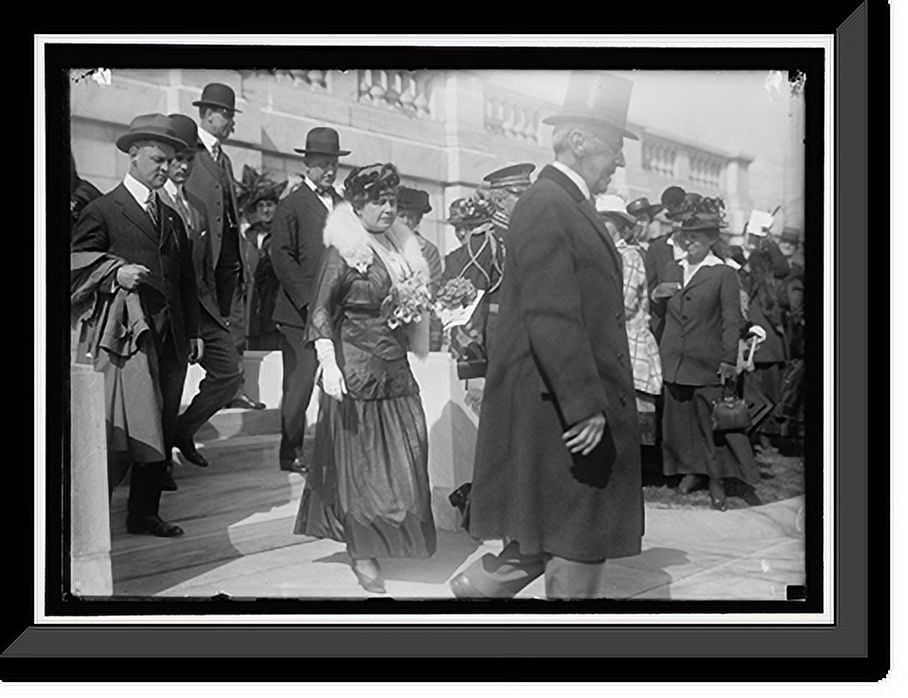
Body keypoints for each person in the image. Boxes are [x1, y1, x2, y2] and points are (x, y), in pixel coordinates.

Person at [449, 71, 643, 599]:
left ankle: (469, 597)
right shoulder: (547, 205)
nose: (620, 161)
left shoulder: (566, 205)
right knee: (577, 546)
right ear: (579, 141)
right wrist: (585, 405)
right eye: (615, 147)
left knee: (543, 543)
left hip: (558, 408)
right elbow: (552, 315)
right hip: (562, 414)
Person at [293, 163, 436, 594]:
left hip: (393, 364)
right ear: (358, 205)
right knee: (363, 466)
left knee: (409, 453)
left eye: (392, 200)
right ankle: (363, 551)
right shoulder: (344, 248)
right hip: (356, 367)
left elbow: (410, 300)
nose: (388, 208)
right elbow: (321, 307)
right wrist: (327, 359)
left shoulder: (398, 248)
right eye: (379, 200)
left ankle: (390, 535)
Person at [71, 113, 201, 537]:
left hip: (172, 339)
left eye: (170, 161)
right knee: (123, 428)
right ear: (133, 155)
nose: (165, 169)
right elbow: (73, 267)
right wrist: (115, 273)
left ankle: (144, 513)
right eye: (158, 160)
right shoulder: (103, 211)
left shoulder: (173, 218)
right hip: (125, 341)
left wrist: (193, 332)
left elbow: (186, 282)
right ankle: (85, 518)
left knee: (161, 425)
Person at [653, 196, 759, 511]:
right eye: (686, 236)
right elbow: (660, 308)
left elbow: (732, 321)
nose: (690, 241)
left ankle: (715, 480)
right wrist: (655, 294)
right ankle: (689, 472)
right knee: (679, 424)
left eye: (697, 236)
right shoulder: (673, 268)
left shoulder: (723, 274)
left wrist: (728, 360)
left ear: (711, 239)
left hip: (707, 362)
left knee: (710, 427)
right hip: (674, 360)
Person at [270, 127, 349, 474]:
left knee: (339, 377)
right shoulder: (291, 205)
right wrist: (307, 300)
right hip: (298, 312)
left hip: (337, 308)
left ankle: (337, 447)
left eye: (332, 163)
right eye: (320, 163)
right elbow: (281, 256)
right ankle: (291, 451)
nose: (328, 170)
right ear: (307, 163)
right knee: (300, 382)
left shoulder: (345, 206)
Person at [597, 199, 663, 448]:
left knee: (629, 409)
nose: (601, 226)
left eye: (607, 221)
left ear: (623, 228)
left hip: (627, 339)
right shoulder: (602, 255)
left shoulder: (629, 257)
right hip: (608, 338)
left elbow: (623, 304)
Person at [239, 176, 285, 351]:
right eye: (261, 206)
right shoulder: (249, 236)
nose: (265, 210)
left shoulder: (282, 233)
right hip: (252, 305)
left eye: (269, 205)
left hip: (274, 304)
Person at [396, 186, 444, 351]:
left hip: (417, 320)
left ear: (417, 221)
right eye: (401, 216)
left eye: (411, 217)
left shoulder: (428, 250)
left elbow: (434, 285)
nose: (406, 221)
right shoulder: (381, 245)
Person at [645, 186, 689, 341]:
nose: (680, 226)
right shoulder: (657, 249)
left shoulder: (702, 251)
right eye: (676, 220)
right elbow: (646, 289)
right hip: (663, 330)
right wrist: (656, 295)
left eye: (684, 221)